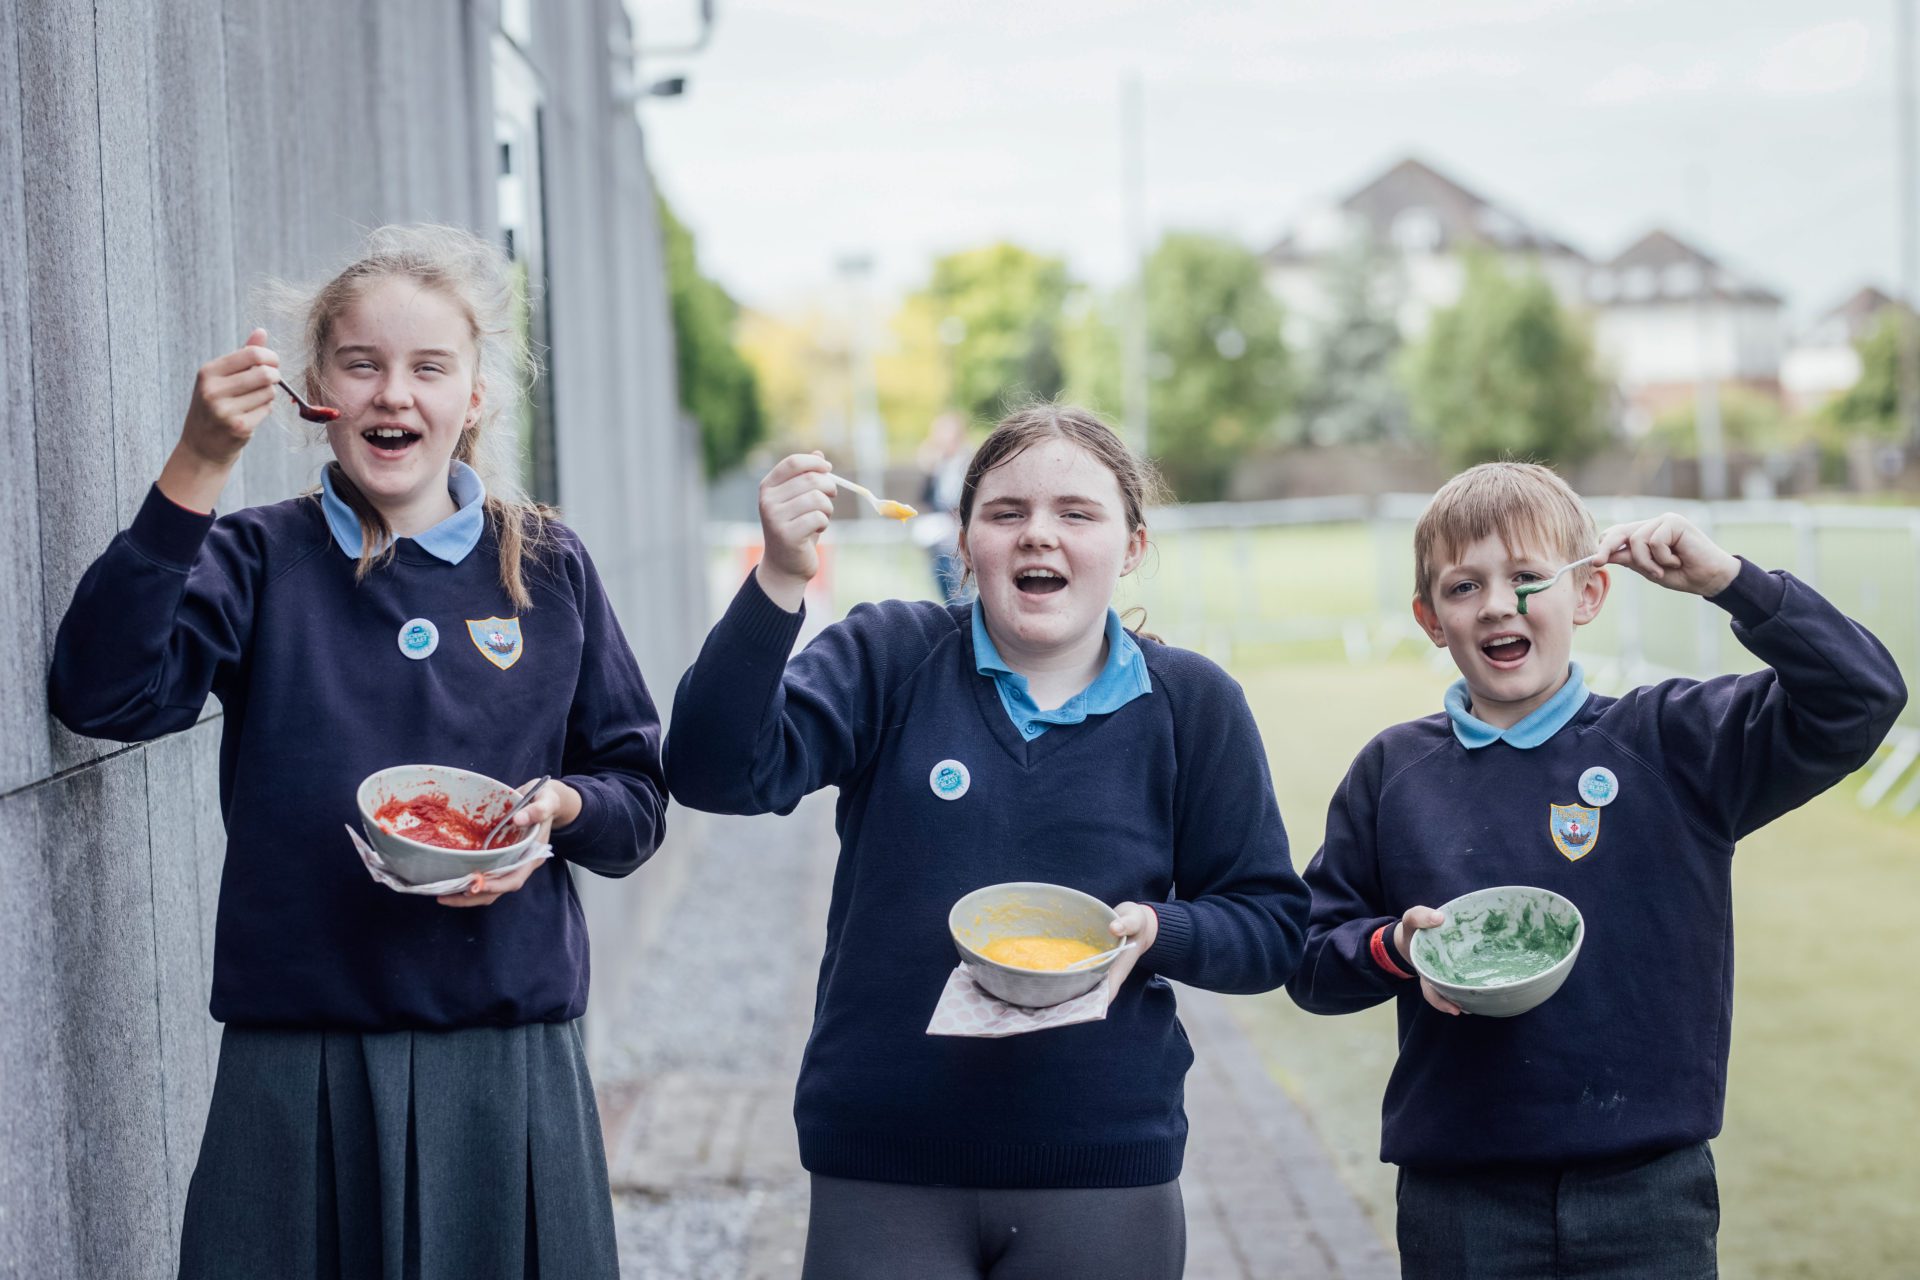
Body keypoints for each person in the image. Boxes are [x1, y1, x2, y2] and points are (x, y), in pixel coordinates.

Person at [48, 224, 666, 1279]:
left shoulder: (548, 566)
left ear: (474, 396)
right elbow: (103, 694)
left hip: (505, 1053)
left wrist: (559, 814)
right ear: (315, 390)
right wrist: (197, 464)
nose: (395, 394)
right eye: (362, 364)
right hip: (299, 1052)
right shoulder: (256, 556)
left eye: (430, 367)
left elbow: (636, 795)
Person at [665, 404, 1309, 1280]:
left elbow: (1272, 925)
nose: (1039, 534)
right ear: (966, 543)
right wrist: (780, 577)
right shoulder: (889, 657)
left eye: (1076, 513)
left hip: (1103, 1166)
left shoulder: (1193, 704)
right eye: (1006, 512)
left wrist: (1163, 932)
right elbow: (712, 773)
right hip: (882, 1160)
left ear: (1131, 546)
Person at [1286, 461, 1907, 1279]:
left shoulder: (1674, 742)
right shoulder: (1392, 772)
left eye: (1528, 578)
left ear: (1588, 594)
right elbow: (1308, 958)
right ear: (1431, 619)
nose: (1498, 604)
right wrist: (1396, 950)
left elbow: (1861, 696)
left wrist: (1730, 582)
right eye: (1464, 587)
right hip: (1459, 1199)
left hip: (1649, 1195)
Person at [913, 409, 972, 603]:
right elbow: (925, 498)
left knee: (959, 597)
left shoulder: (967, 462)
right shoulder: (940, 465)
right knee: (945, 596)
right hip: (938, 541)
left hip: (957, 541)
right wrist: (929, 467)